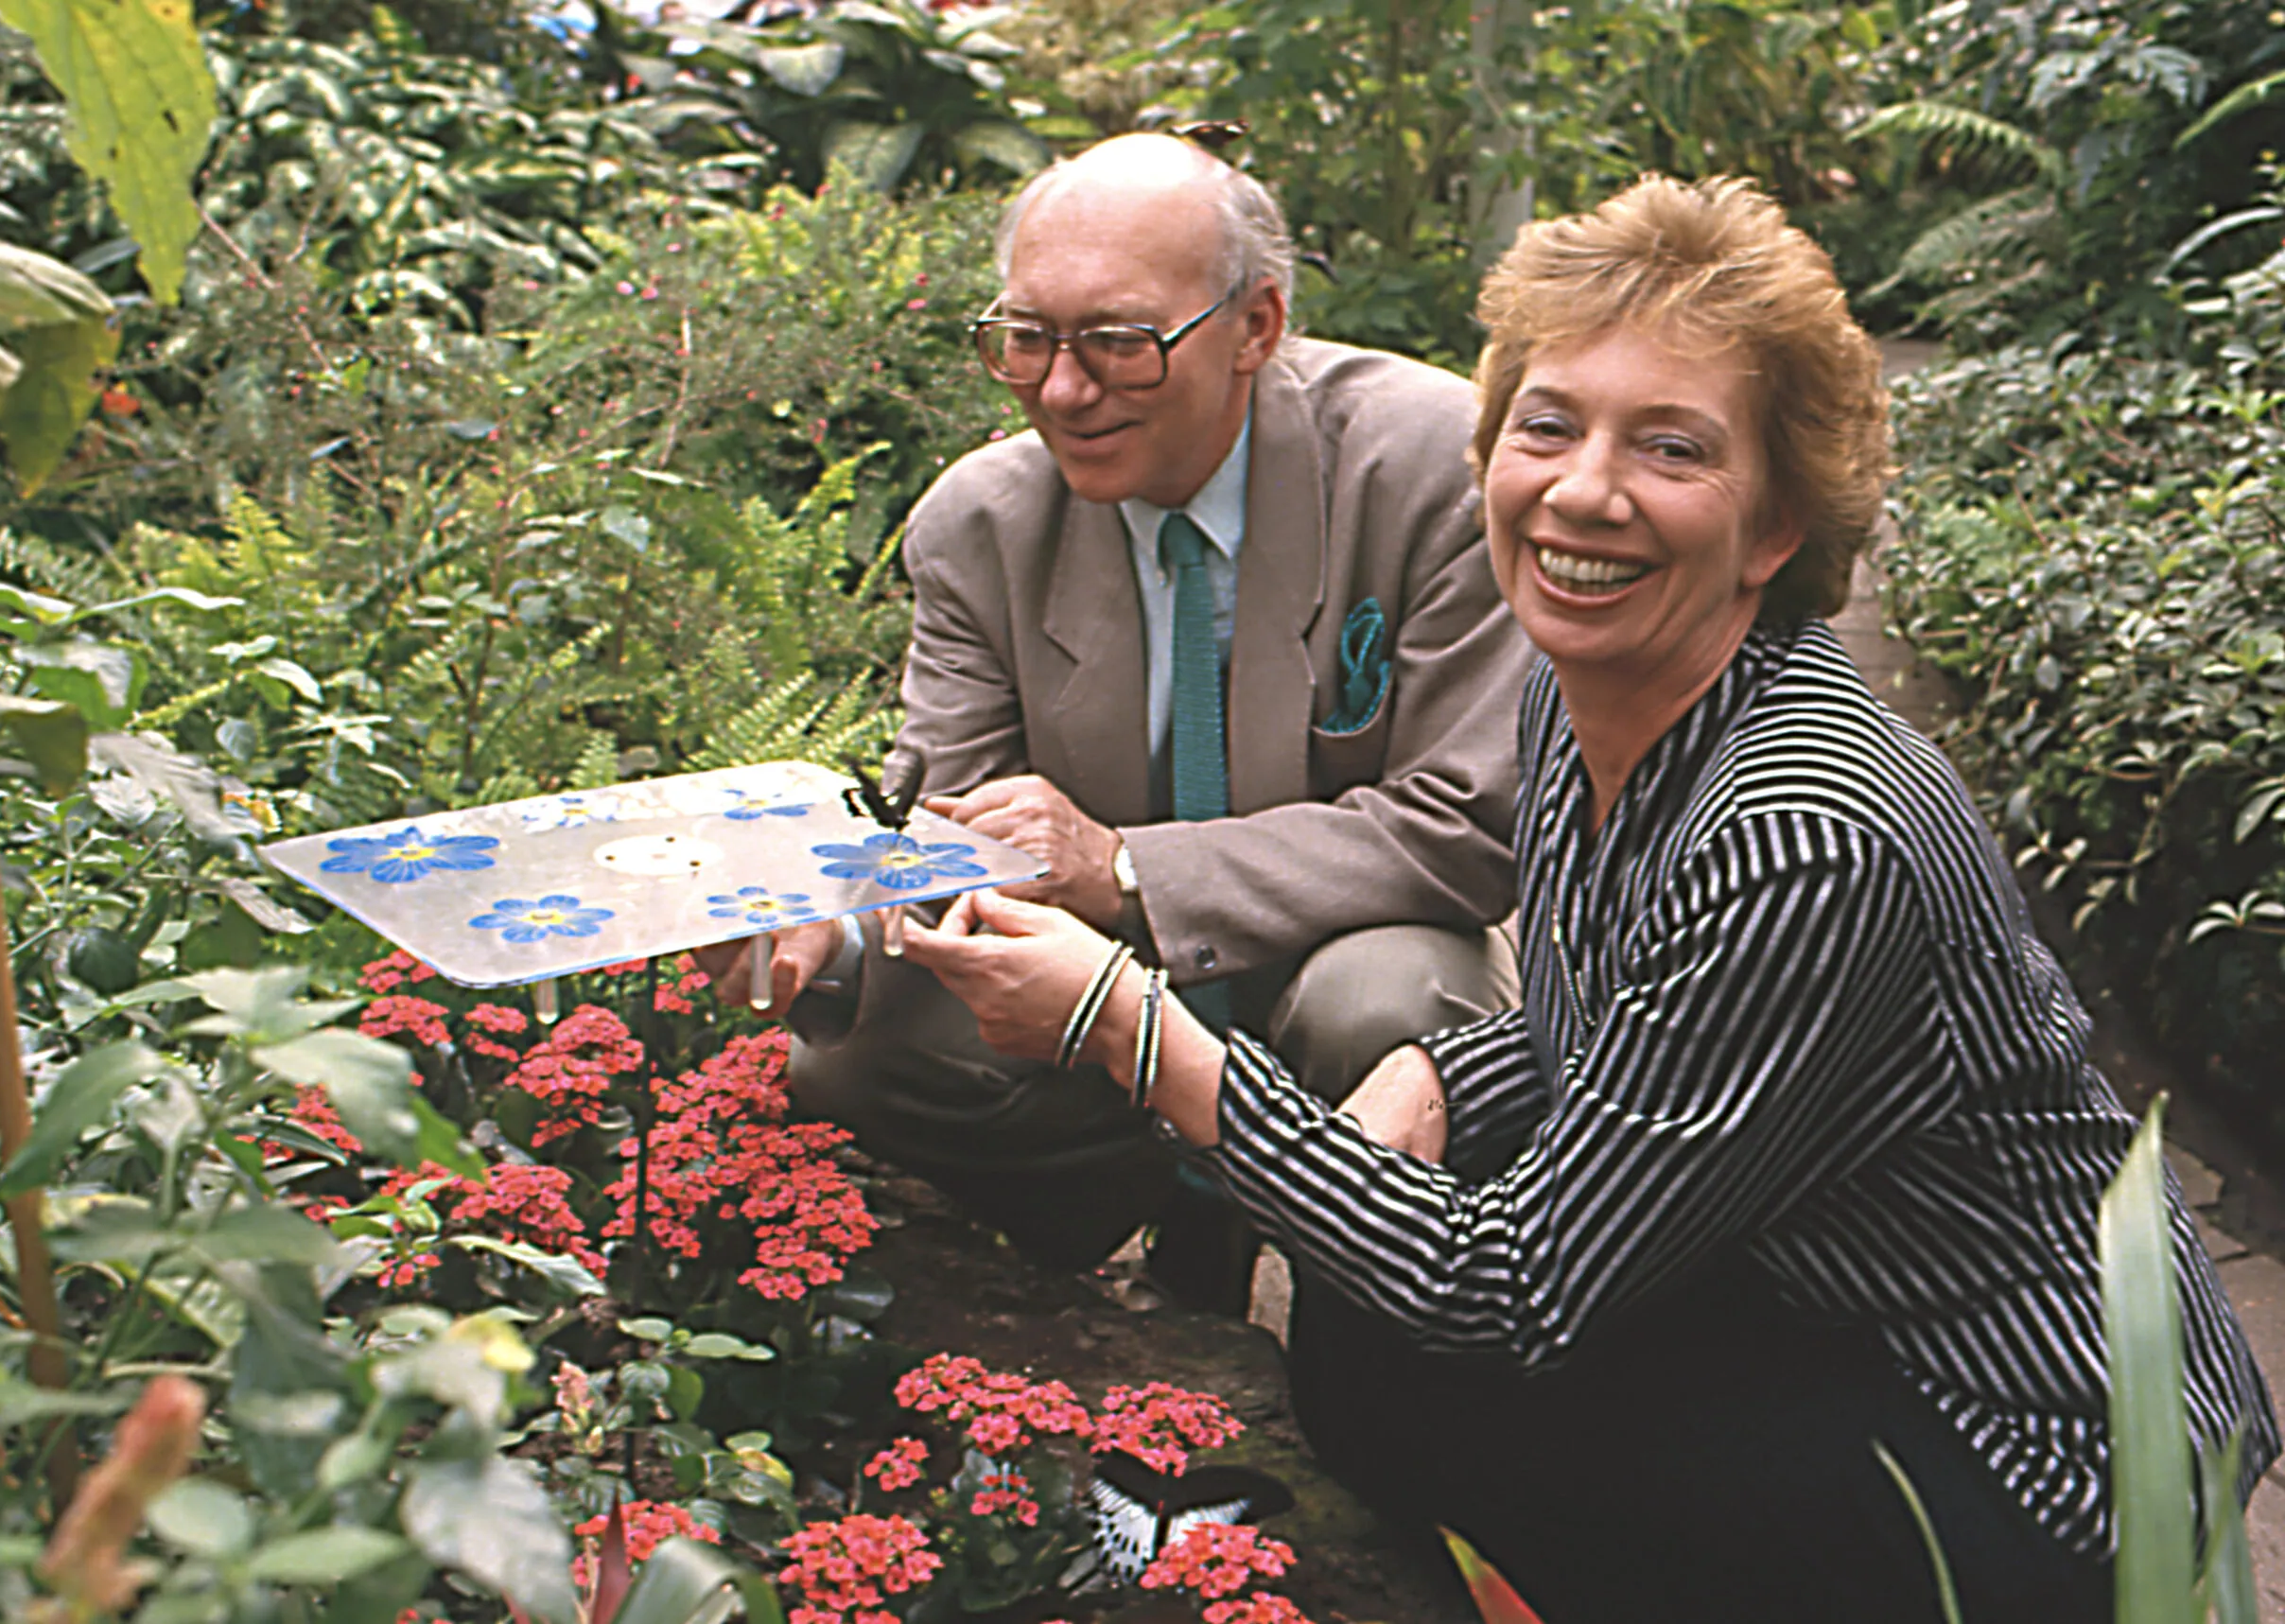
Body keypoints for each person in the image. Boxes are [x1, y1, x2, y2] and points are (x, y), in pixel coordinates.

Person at [899, 173, 2279, 1621]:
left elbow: (1516, 1285)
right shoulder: (1592, 699)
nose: (1584, 490)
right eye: (1549, 427)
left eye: (1671, 447)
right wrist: (1438, 1064)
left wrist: (1129, 1030)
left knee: (1424, 1348)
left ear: (1772, 532)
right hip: (1810, 1279)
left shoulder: (1805, 837)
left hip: (2035, 1440)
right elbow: (1604, 1025)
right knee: (1366, 1349)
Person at [702, 132, 1530, 1301]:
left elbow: (1467, 830)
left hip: (1350, 954)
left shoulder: (1431, 469)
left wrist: (1127, 867)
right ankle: (1137, 1251)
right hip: (1106, 996)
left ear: (1256, 326)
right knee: (863, 1051)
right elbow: (952, 835)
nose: (1061, 390)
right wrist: (819, 932)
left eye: (1118, 344)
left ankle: (1379, 1310)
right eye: (1026, 338)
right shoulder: (979, 527)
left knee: (1388, 1000)